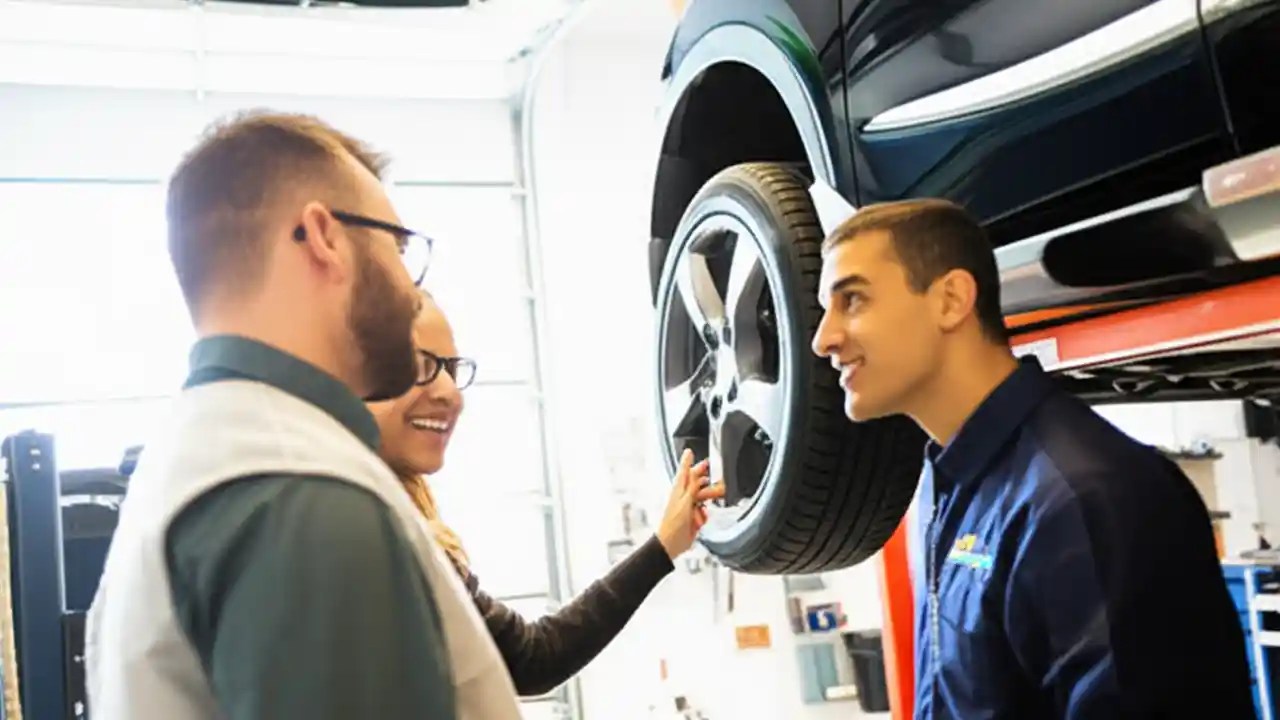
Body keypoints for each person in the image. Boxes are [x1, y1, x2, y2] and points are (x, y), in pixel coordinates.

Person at [86, 111, 523, 720]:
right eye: (398, 248)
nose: (408, 285)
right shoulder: (301, 493)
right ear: (323, 236)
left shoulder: (199, 454)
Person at [810, 198, 1255, 719]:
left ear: (951, 300)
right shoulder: (947, 485)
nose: (823, 339)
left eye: (854, 300)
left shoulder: (1084, 499)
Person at [366, 290, 724, 696]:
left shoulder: (402, 526)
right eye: (423, 364)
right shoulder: (372, 533)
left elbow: (532, 657)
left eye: (451, 367)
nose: (452, 393)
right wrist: (661, 547)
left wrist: (664, 545)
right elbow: (535, 658)